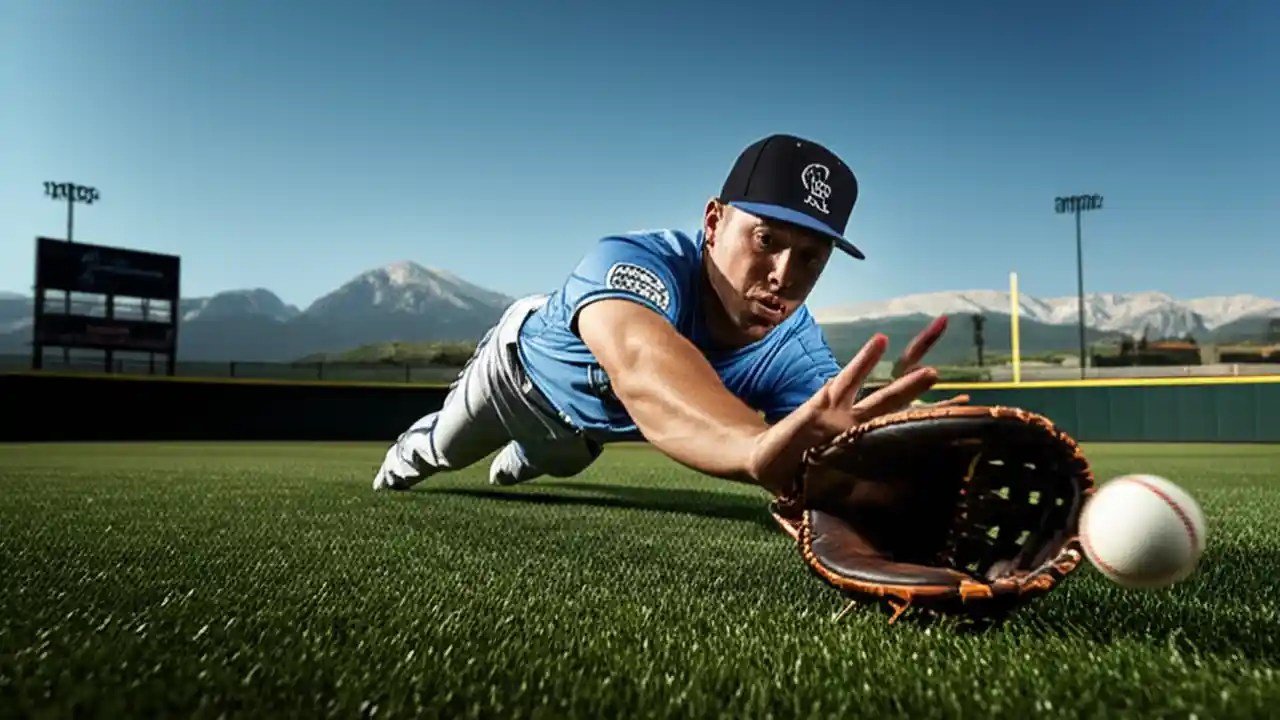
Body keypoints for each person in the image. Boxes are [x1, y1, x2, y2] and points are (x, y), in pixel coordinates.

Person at [373, 133, 951, 499]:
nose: (784, 274)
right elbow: (645, 365)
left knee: (552, 461)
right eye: (766, 239)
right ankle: (415, 449)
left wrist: (911, 456)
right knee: (438, 454)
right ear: (713, 221)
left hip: (586, 436)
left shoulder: (793, 344)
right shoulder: (633, 263)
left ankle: (530, 455)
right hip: (516, 380)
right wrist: (754, 447)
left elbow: (825, 434)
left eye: (810, 257)